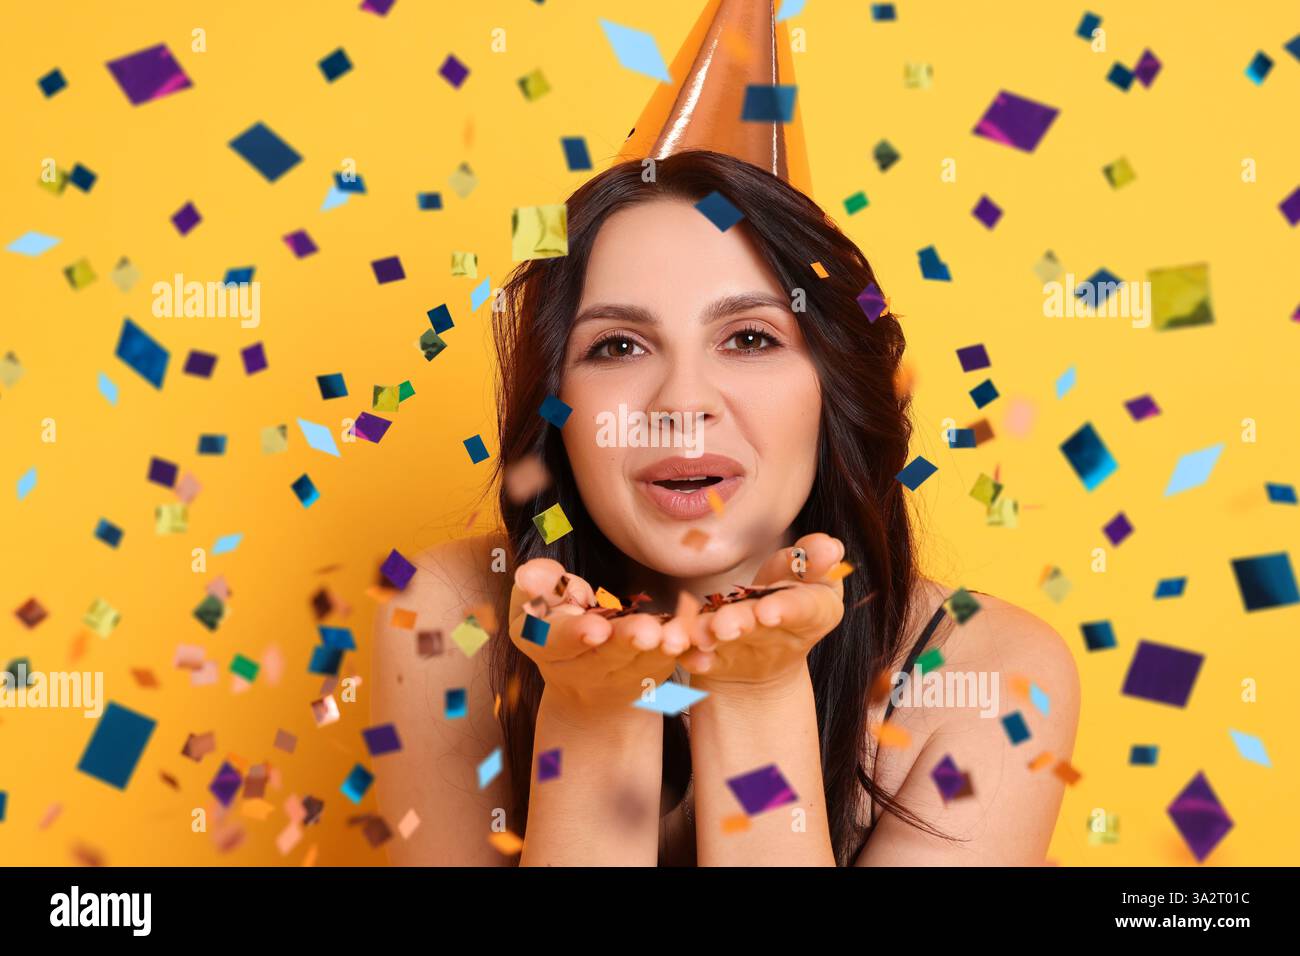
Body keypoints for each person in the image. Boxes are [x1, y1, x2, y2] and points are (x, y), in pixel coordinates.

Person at [373, 149, 1080, 866]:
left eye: (749, 338)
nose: (683, 404)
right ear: (555, 405)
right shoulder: (450, 617)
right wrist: (595, 713)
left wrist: (757, 694)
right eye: (618, 345)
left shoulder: (989, 675)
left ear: (832, 390)